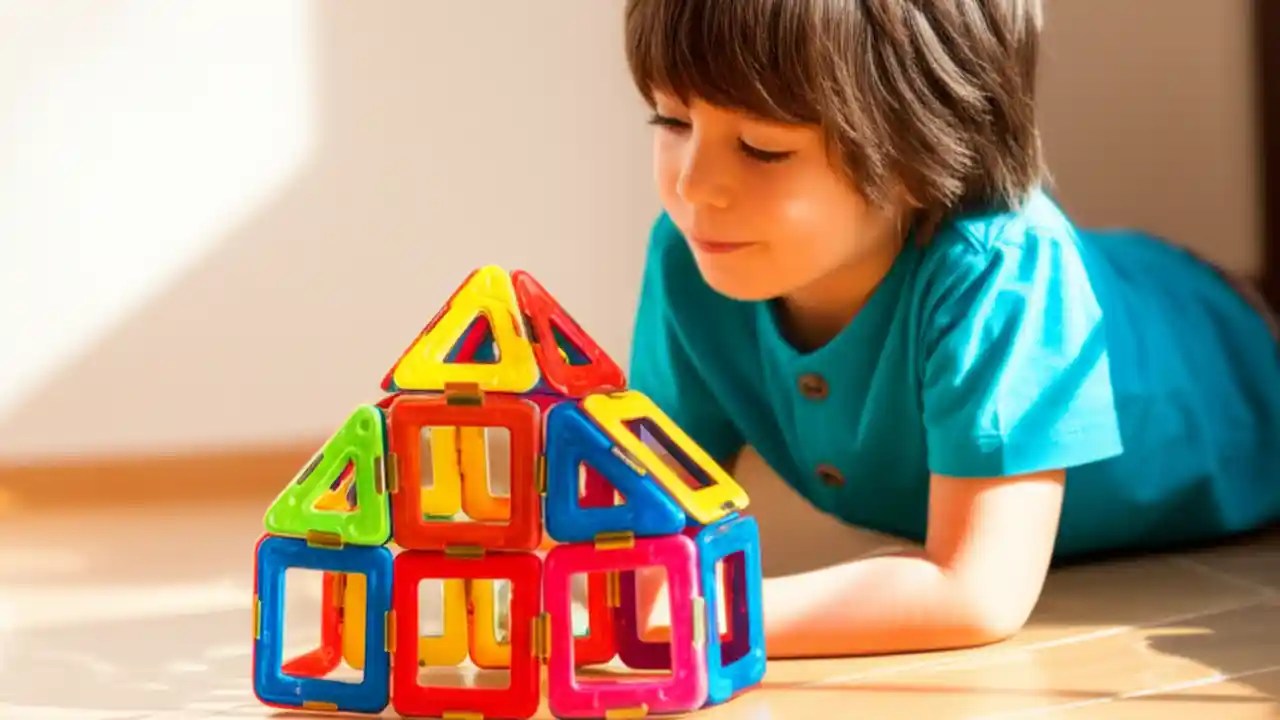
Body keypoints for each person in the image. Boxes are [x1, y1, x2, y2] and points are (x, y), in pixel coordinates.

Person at [621, 0, 1280, 658]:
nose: (695, 185)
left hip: (1238, 352)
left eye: (763, 149)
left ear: (919, 147)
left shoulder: (1004, 270)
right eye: (672, 119)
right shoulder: (692, 259)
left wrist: (703, 613)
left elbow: (975, 590)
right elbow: (641, 520)